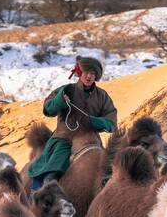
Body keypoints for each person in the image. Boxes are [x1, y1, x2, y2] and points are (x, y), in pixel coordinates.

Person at [29, 56, 118, 189]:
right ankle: (44, 195)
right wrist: (60, 100)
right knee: (52, 173)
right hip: (64, 138)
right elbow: (48, 110)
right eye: (86, 72)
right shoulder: (66, 90)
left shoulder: (102, 96)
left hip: (91, 139)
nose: (89, 76)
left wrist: (93, 122)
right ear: (79, 73)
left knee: (109, 172)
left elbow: (111, 123)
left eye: (92, 73)